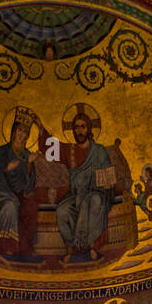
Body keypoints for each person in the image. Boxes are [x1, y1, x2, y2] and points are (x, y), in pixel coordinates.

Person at [47, 109, 115, 261]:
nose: (79, 130)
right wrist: (39, 127)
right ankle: (71, 247)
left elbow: (108, 176)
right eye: (76, 127)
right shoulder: (70, 151)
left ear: (89, 129)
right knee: (63, 210)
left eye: (83, 126)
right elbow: (49, 148)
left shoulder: (99, 151)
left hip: (97, 193)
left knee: (93, 202)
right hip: (77, 195)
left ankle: (92, 246)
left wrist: (108, 184)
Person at [0, 108, 39, 258]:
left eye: (26, 132)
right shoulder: (3, 151)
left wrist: (29, 165)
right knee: (10, 205)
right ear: (14, 131)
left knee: (31, 206)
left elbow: (31, 182)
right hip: (2, 191)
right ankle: (4, 246)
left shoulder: (27, 154)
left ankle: (26, 249)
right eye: (20, 130)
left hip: (21, 194)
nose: (22, 135)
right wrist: (6, 169)